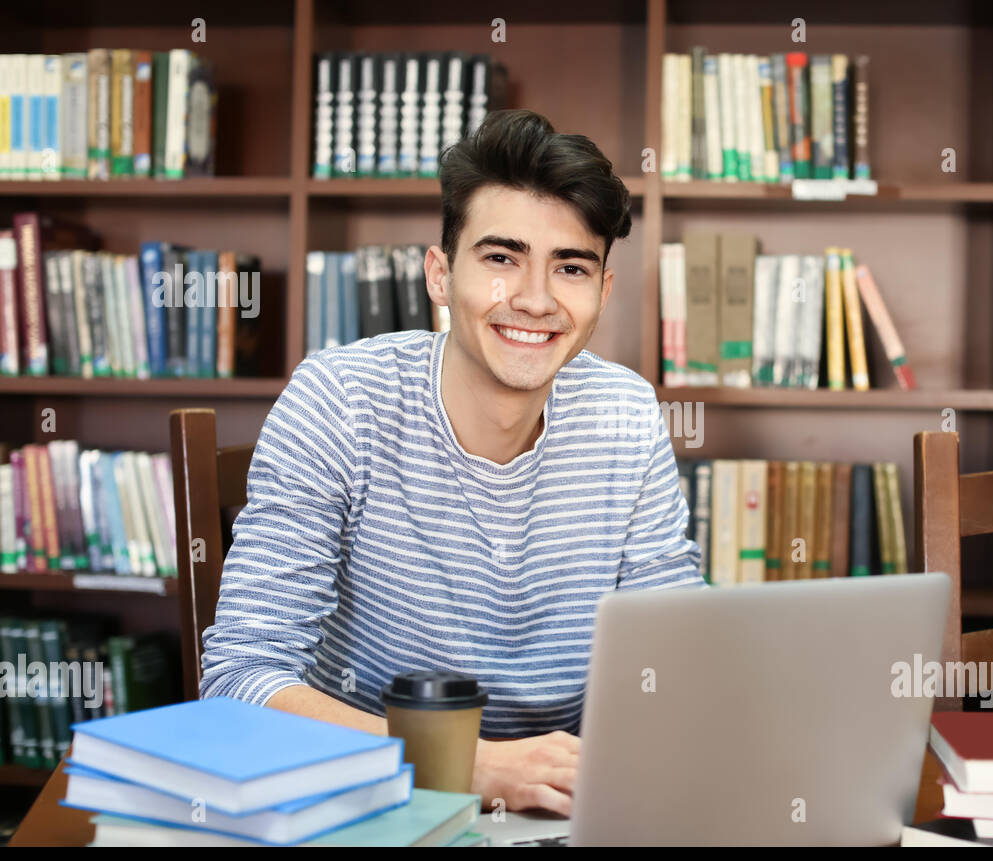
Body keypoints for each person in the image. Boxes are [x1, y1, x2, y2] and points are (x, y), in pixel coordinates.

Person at [202, 109, 704, 817]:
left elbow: (677, 648)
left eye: (570, 267)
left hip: (564, 811)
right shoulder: (339, 401)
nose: (535, 299)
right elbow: (238, 681)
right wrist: (464, 767)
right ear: (440, 274)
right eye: (501, 258)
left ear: (603, 294)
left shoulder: (625, 412)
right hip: (372, 806)